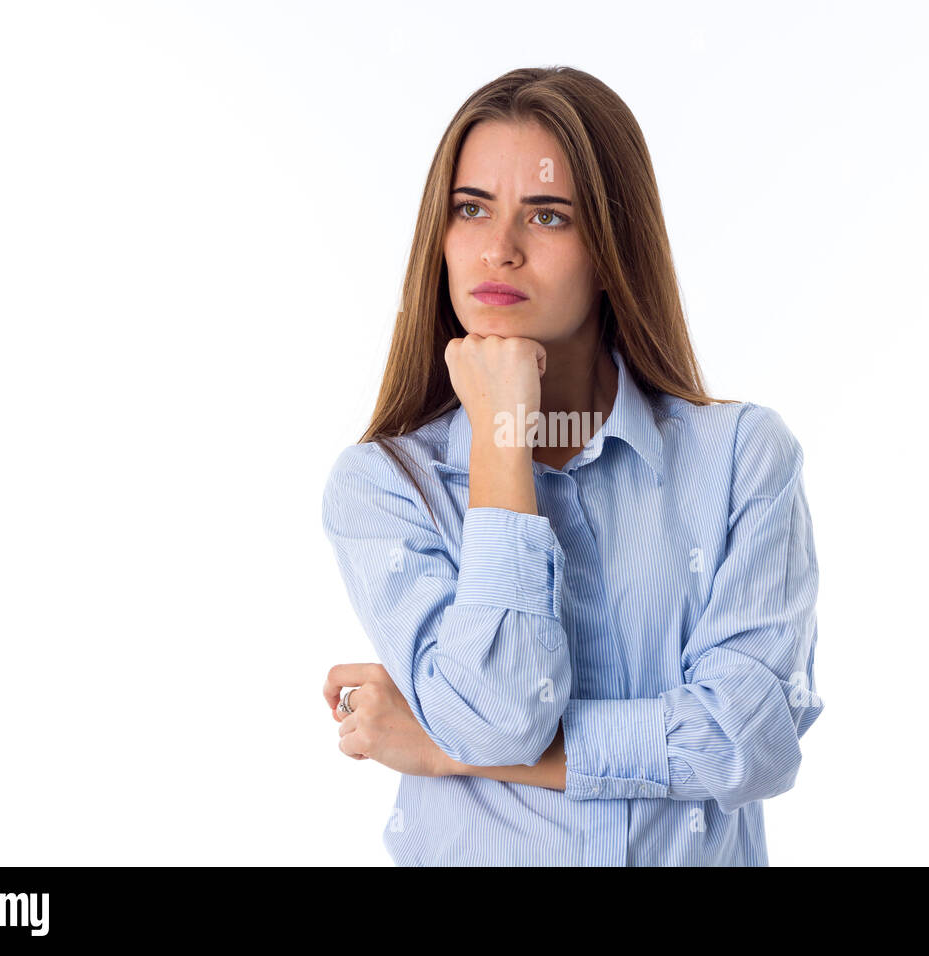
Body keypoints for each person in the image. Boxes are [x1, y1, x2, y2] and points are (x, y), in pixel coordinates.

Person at [320, 66, 824, 866]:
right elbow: (501, 715)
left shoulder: (742, 459)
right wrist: (501, 436)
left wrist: (449, 749)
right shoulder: (385, 487)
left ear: (612, 247)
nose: (500, 249)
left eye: (548, 216)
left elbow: (745, 742)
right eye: (471, 208)